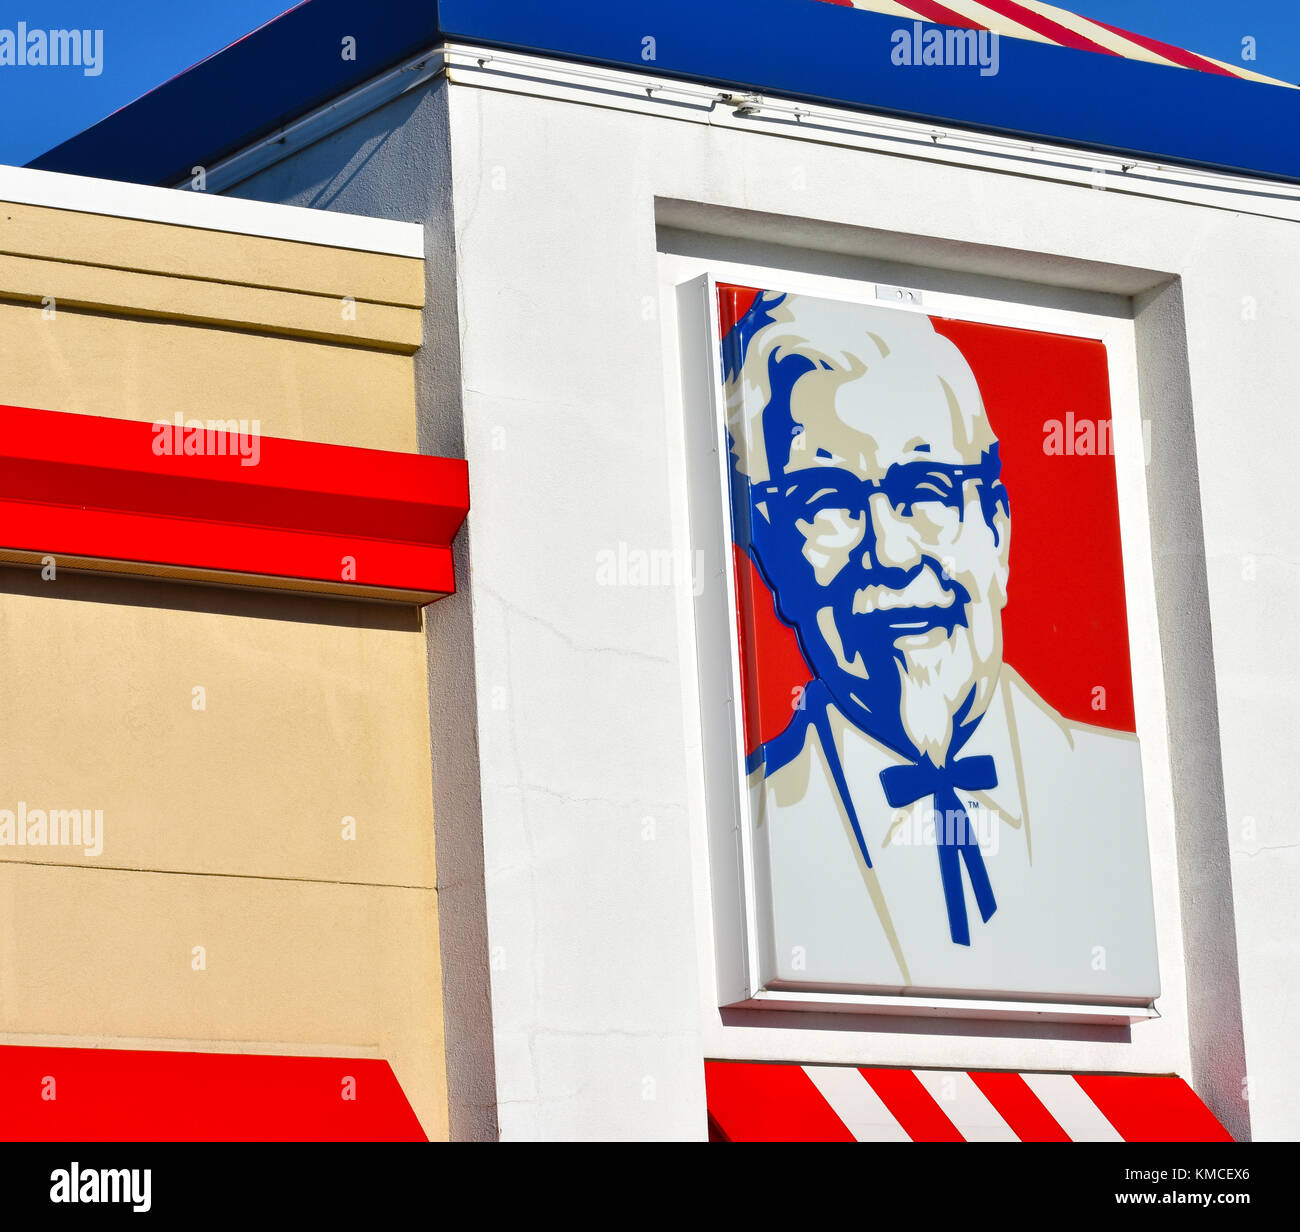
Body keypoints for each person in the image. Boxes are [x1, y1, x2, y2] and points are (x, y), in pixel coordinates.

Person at [722, 289, 1159, 999]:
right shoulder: (743, 829)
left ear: (997, 530)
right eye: (826, 501)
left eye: (925, 487)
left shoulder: (1112, 790)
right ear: (771, 556)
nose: (891, 552)